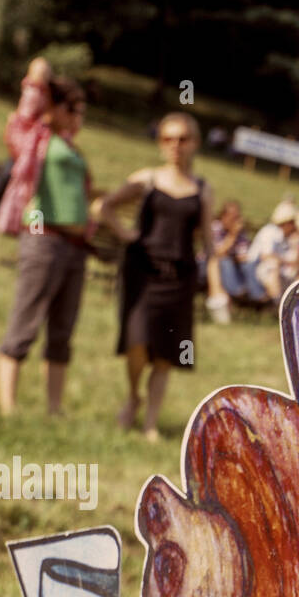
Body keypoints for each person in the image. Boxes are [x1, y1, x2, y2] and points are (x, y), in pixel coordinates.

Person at [97, 112, 215, 441]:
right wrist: (125, 233)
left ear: (194, 143)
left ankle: (150, 422)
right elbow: (104, 206)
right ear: (160, 143)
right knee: (137, 342)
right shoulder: (146, 180)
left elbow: (209, 242)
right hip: (142, 273)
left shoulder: (202, 190)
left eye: (182, 139)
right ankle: (134, 395)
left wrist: (217, 288)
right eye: (168, 138)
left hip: (179, 277)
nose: (175, 145)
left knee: (165, 354)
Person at [0, 63, 95, 417]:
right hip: (42, 237)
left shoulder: (70, 148)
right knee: (26, 319)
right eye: (75, 109)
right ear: (56, 108)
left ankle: (54, 408)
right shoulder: (34, 136)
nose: (80, 117)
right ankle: (8, 407)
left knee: (62, 329)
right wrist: (40, 74)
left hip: (74, 245)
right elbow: (31, 99)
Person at [205, 199, 259, 320]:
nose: (236, 220)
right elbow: (217, 253)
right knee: (225, 262)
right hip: (207, 265)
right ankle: (238, 292)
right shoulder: (215, 227)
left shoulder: (239, 231)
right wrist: (233, 235)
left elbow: (244, 253)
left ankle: (258, 296)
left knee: (249, 264)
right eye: (232, 217)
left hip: (232, 265)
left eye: (237, 217)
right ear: (224, 216)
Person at [245, 200, 299, 302]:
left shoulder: (287, 238)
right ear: (286, 223)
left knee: (293, 272)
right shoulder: (269, 231)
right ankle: (276, 301)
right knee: (273, 266)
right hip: (255, 267)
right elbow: (266, 256)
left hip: (273, 268)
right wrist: (285, 261)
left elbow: (293, 260)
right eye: (293, 223)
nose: (295, 226)